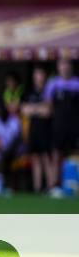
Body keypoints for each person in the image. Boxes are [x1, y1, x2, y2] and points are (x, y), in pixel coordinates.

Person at [45, 56, 79, 192]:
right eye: (62, 64)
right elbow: (48, 106)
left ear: (72, 67)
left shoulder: (77, 83)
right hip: (58, 126)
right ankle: (55, 185)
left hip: (75, 126)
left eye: (67, 64)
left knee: (76, 155)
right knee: (56, 155)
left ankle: (74, 185)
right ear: (58, 67)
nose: (65, 67)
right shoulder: (53, 84)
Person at [21, 66, 54, 192]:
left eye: (40, 75)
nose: (38, 77)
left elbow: (48, 111)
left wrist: (33, 109)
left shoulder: (48, 91)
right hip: (33, 129)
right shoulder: (30, 92)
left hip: (46, 129)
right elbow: (24, 110)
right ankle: (37, 187)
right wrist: (38, 109)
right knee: (35, 158)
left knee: (46, 157)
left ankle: (51, 186)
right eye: (36, 75)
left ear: (45, 77)